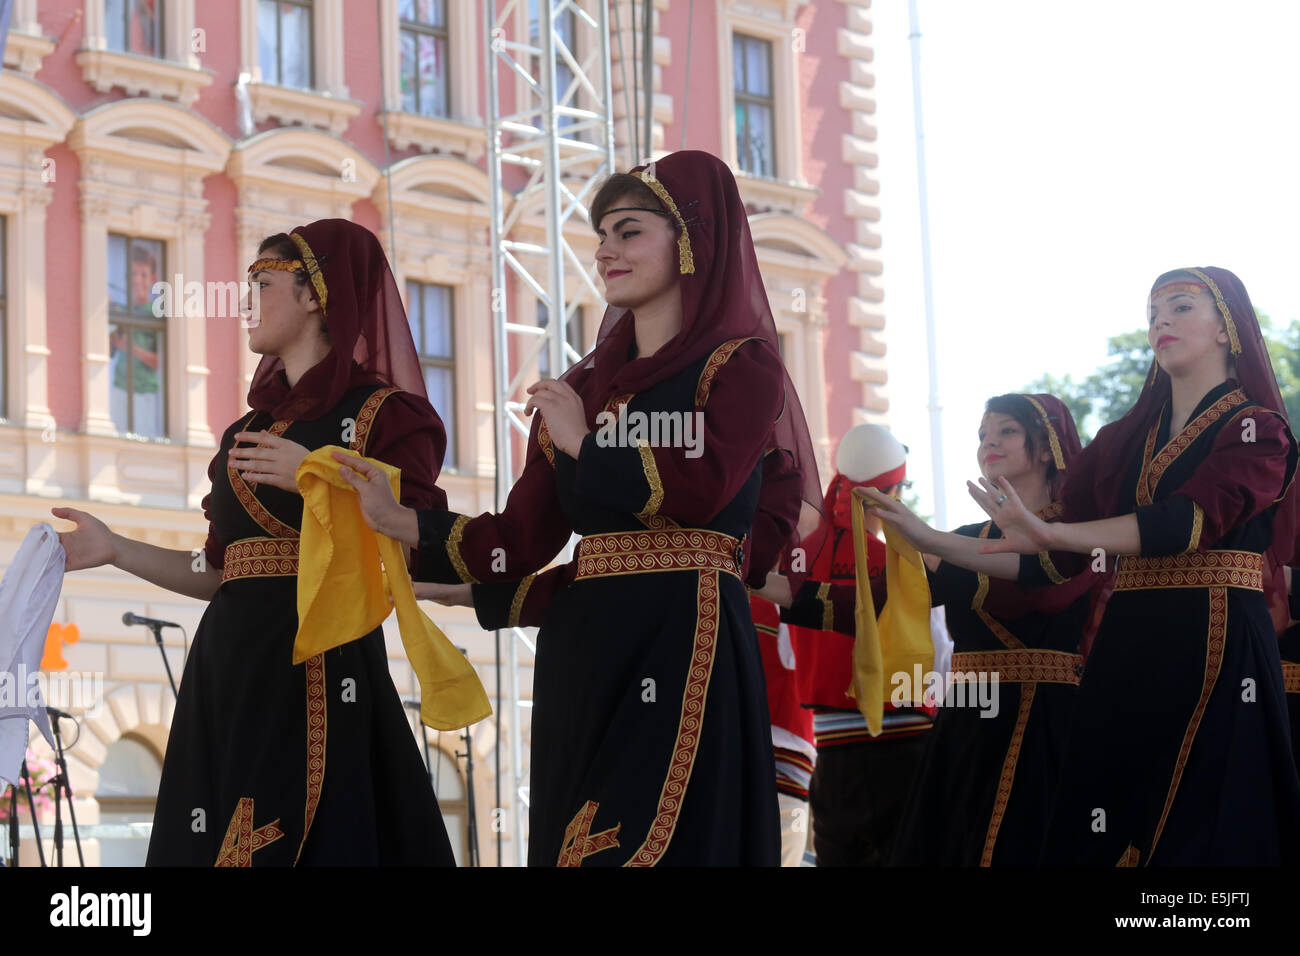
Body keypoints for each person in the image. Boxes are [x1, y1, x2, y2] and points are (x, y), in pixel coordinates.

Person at [338, 150, 823, 866]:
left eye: (629, 231)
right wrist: (400, 521)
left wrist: (584, 445)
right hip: (585, 645)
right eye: (601, 235)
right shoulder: (581, 387)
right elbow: (521, 538)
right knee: (575, 840)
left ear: (690, 241)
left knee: (649, 847)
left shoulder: (740, 366)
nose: (606, 251)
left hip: (683, 628)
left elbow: (701, 488)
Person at [55, 219, 461, 866]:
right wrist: (116, 550)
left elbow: (418, 547)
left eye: (262, 281)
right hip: (228, 666)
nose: (247, 298)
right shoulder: (245, 431)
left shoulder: (384, 416)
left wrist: (315, 480)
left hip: (319, 663)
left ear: (314, 294)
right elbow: (220, 572)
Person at [867, 268, 1300, 865]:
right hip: (1129, 645)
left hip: (1215, 637)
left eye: (1180, 306)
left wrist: (1051, 531)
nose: (1160, 322)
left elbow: (1186, 523)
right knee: (1106, 816)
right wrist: (927, 536)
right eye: (1152, 312)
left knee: (1204, 815)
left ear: (1228, 327)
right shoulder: (1123, 439)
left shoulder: (1258, 430)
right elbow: (1051, 560)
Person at [891, 393, 1088, 866]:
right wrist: (769, 583)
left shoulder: (1080, 532)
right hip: (965, 721)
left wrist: (934, 544)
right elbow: (885, 598)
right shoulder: (965, 537)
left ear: (1046, 448)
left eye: (1006, 431)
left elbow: (1039, 589)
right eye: (982, 434)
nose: (989, 442)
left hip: (1046, 720)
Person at [756, 424, 938, 866]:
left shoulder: (798, 562)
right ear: (894, 489)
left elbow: (786, 654)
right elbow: (940, 654)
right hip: (907, 744)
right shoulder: (905, 559)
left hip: (832, 753)